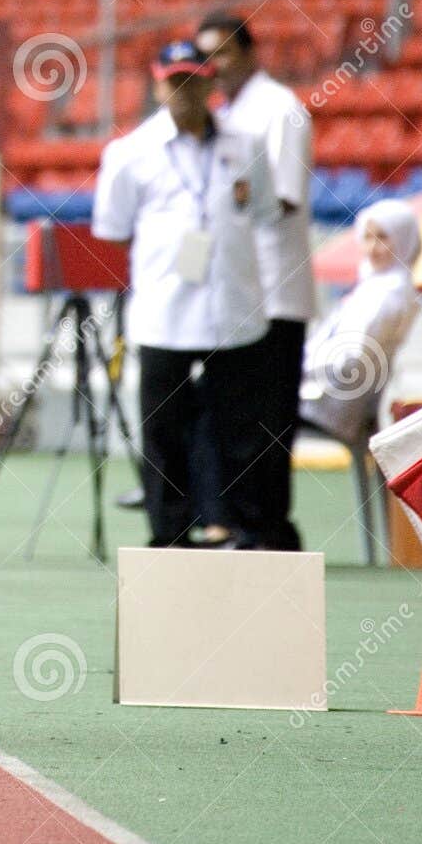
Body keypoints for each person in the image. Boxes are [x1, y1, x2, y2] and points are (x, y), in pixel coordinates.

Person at [93, 39, 276, 548]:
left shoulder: (247, 143)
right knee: (164, 434)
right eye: (174, 81)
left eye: (194, 80)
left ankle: (246, 532)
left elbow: (261, 210)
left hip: (234, 309)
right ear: (158, 85)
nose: (185, 92)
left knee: (242, 433)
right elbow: (112, 226)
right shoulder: (129, 153)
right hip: (163, 313)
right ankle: (169, 537)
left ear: (211, 82)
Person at [195, 13, 315, 549]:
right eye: (205, 55)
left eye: (221, 53)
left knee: (266, 421)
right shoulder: (223, 118)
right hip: (235, 291)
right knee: (230, 414)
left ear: (249, 51)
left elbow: (282, 198)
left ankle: (269, 528)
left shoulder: (279, 111)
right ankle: (233, 518)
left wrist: (225, 204)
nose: (212, 66)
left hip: (275, 290)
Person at [299, 198, 421, 445]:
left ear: (403, 239)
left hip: (330, 404)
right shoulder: (382, 287)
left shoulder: (387, 294)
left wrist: (298, 368)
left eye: (383, 237)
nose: (372, 247)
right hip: (343, 400)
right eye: (367, 237)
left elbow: (351, 356)